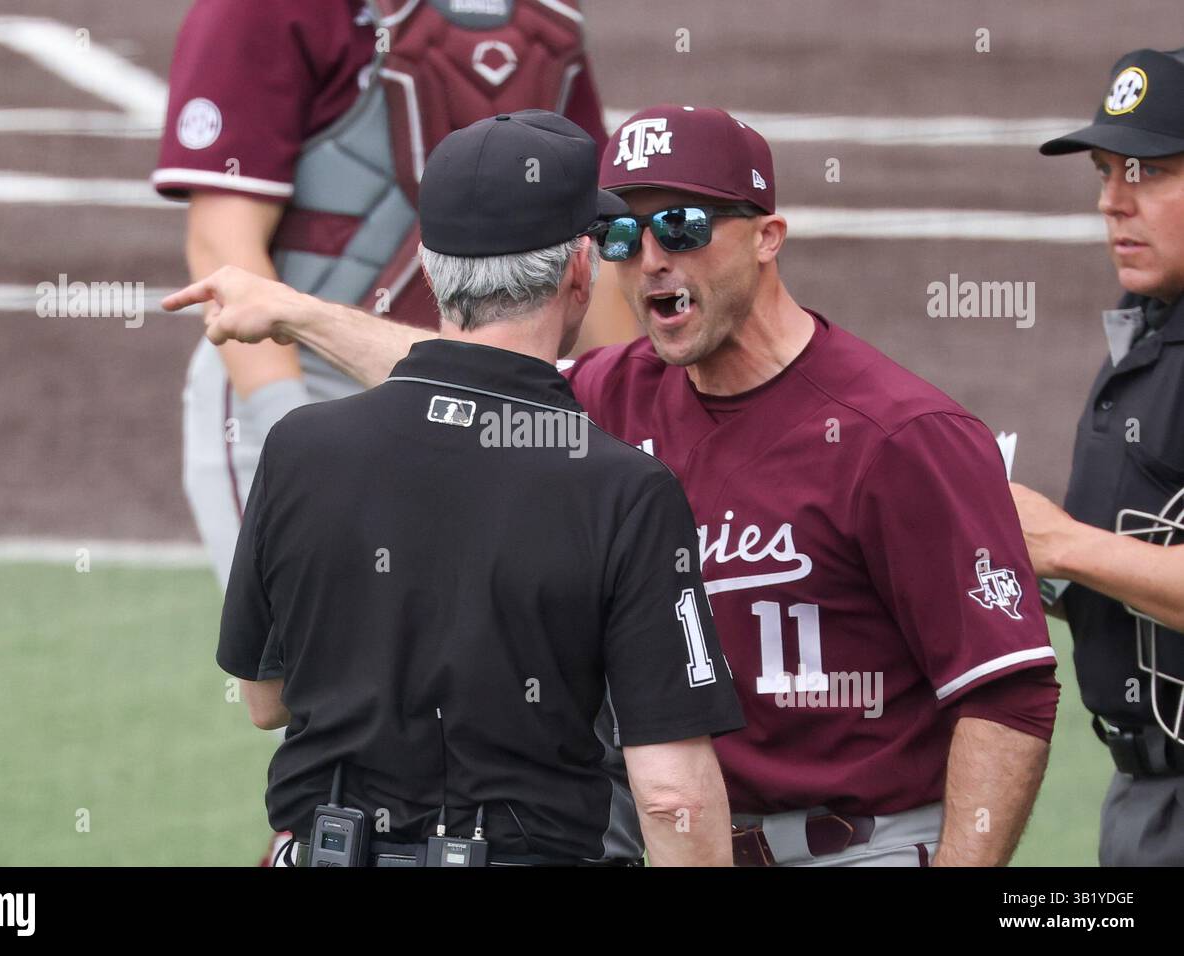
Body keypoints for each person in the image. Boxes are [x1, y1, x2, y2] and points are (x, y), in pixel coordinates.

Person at [166, 104, 1060, 867]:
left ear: (768, 237)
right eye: (626, 234)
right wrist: (297, 311)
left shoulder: (900, 437)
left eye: (684, 227)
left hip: (849, 846)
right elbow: (468, 382)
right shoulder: (610, 395)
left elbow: (1006, 692)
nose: (652, 261)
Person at [151, 0, 622, 862]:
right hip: (306, 394)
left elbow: (591, 239)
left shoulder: (540, 20)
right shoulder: (265, 10)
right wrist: (306, 446)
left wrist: (630, 419)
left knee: (525, 694)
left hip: (492, 410)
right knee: (327, 700)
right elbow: (222, 236)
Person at [215, 110, 745, 867]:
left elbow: (266, 701)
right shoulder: (626, 490)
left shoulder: (301, 447)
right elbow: (672, 798)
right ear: (576, 273)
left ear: (431, 272)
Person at [1010, 47, 1184, 867]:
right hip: (1144, 798)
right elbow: (1139, 552)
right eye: (1107, 170)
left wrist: (1061, 543)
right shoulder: (1147, 327)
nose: (1112, 202)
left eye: (1146, 171)